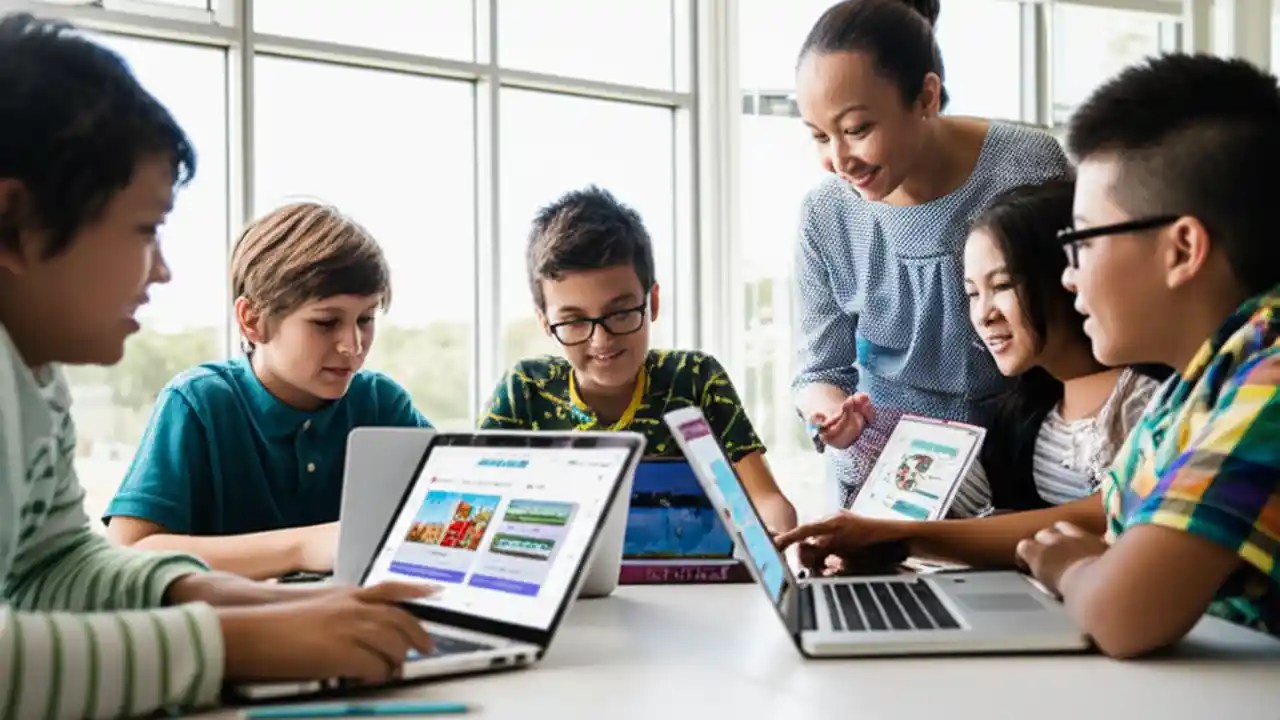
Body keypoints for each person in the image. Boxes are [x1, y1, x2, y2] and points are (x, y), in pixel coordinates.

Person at [0, 13, 431, 717]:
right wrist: (242, 643)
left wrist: (249, 603)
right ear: (14, 223)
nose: (162, 271)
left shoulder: (32, 377)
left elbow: (53, 565)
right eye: (145, 230)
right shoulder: (197, 399)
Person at [781, 53, 1280, 657]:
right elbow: (1105, 536)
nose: (1067, 278)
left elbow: (1125, 615)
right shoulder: (1197, 385)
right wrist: (902, 538)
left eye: (1083, 241)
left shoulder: (1267, 379)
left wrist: (1071, 567)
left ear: (1182, 250)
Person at [788, 0, 1070, 509]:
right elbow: (817, 375)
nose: (838, 160)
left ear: (926, 96)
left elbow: (1076, 324)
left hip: (1029, 461)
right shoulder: (825, 215)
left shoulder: (1028, 165)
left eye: (856, 130)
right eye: (818, 136)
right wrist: (836, 419)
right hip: (894, 472)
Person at [104, 201, 432, 580]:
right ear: (252, 321)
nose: (353, 345)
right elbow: (129, 551)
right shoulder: (199, 402)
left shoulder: (380, 403)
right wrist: (304, 547)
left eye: (366, 319)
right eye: (326, 323)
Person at [481, 186, 797, 532]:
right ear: (544, 321)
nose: (601, 340)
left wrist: (778, 543)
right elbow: (479, 501)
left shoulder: (695, 379)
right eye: (573, 321)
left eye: (620, 313)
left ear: (653, 302)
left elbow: (765, 500)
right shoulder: (525, 390)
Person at [958, 179, 1161, 515]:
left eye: (1003, 285)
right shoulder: (1020, 414)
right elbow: (972, 511)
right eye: (972, 293)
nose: (984, 315)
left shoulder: (1144, 399)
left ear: (1067, 278)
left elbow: (1113, 517)